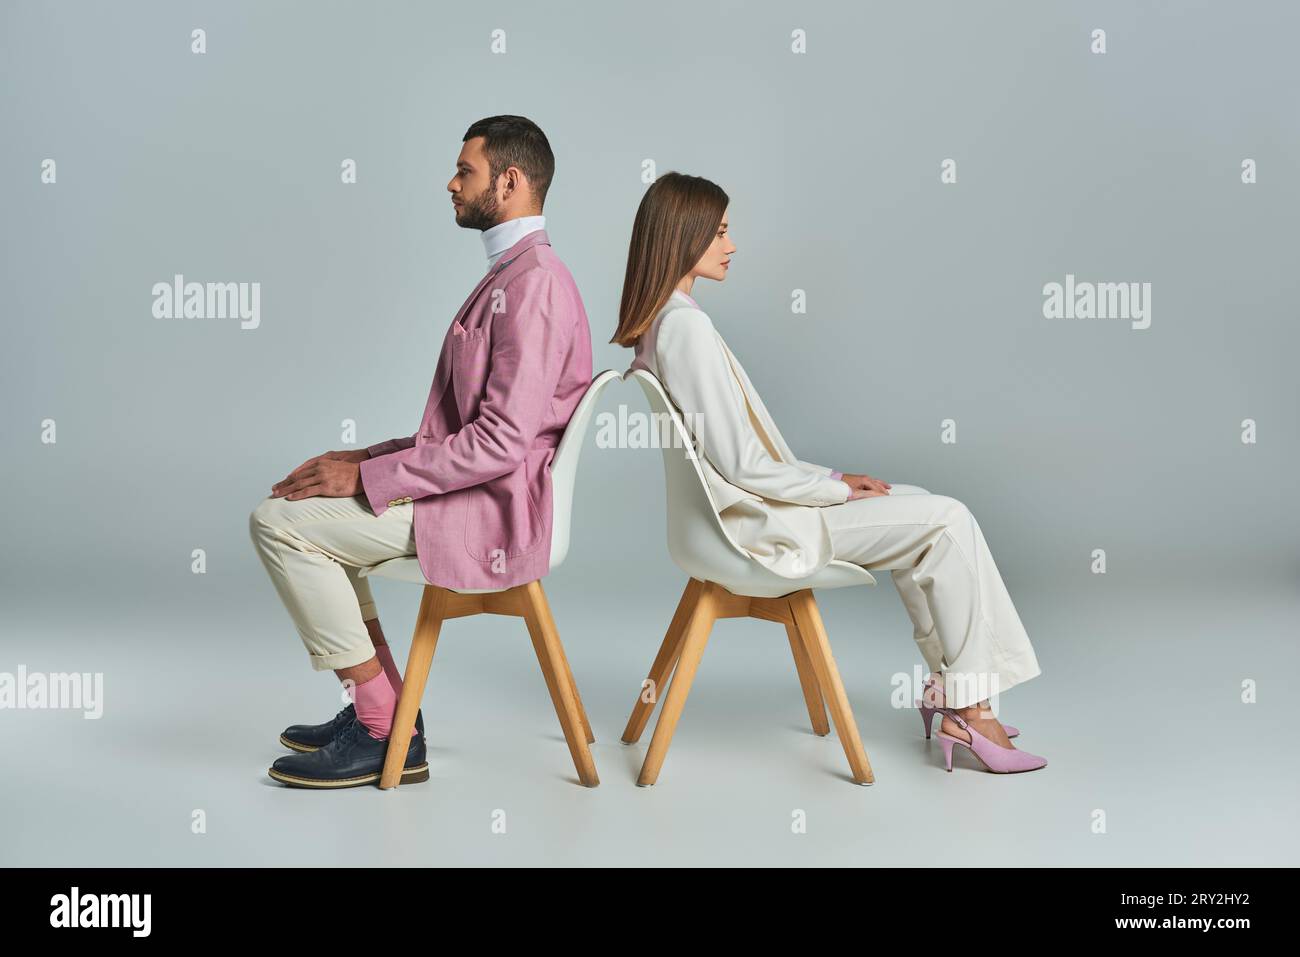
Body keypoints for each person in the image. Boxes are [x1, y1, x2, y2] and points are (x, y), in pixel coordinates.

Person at [611, 172, 1046, 774]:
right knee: (949, 519)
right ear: (682, 237)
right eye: (719, 233)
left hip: (743, 518)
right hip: (757, 529)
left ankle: (951, 692)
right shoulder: (685, 327)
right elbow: (740, 463)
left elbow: (740, 456)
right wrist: (834, 489)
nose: (732, 246)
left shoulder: (664, 323)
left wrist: (838, 479)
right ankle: (970, 709)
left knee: (915, 499)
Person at [249, 115, 593, 788]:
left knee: (278, 526)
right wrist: (359, 457)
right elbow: (462, 430)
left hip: (491, 510)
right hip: (470, 493)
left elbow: (498, 442)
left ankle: (383, 725)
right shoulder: (513, 275)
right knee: (308, 506)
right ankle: (386, 711)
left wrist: (369, 476)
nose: (451, 182)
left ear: (511, 181)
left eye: (465, 170)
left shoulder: (536, 285)